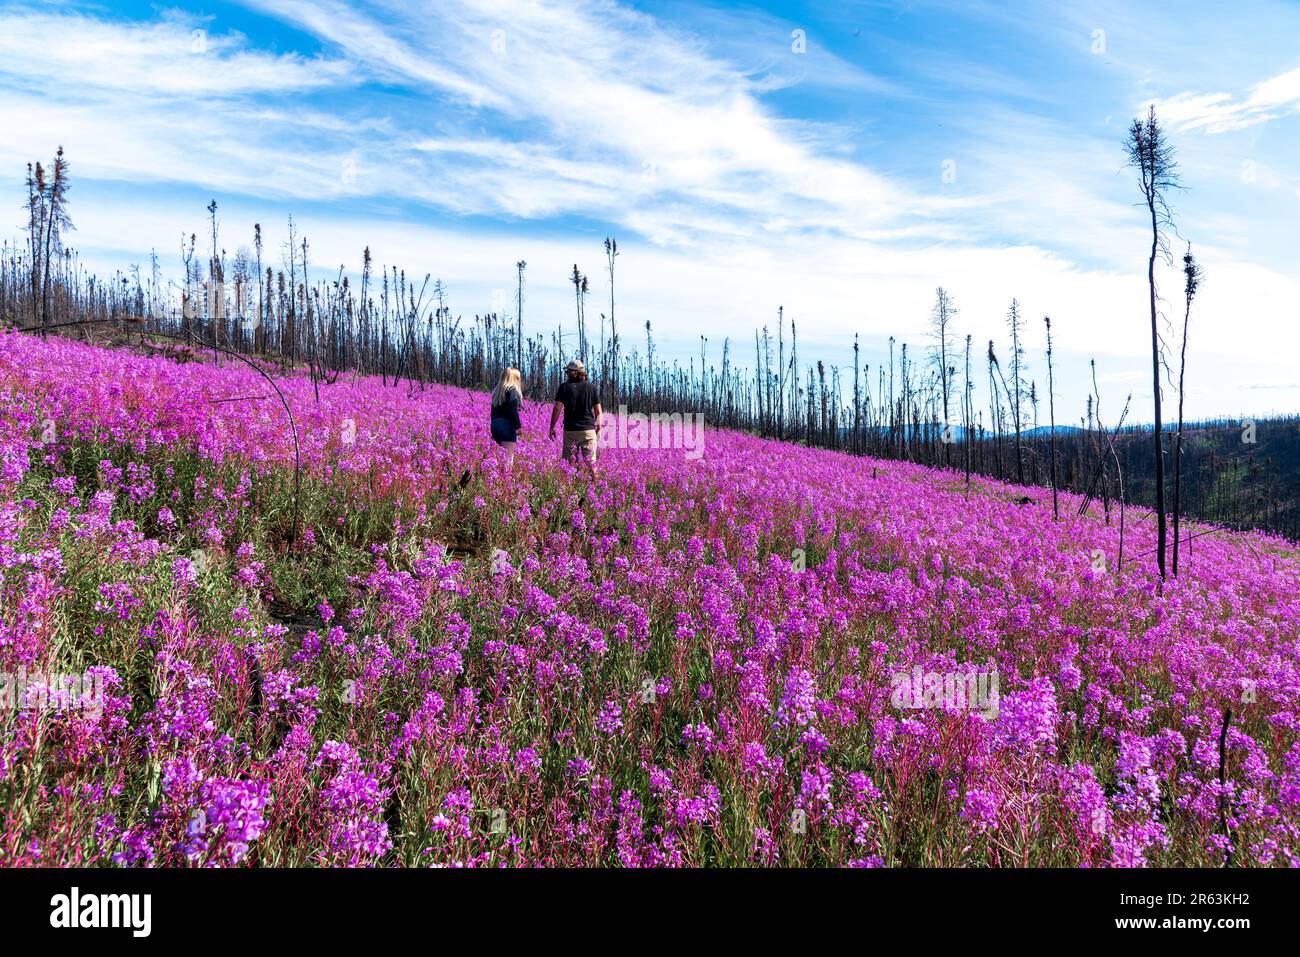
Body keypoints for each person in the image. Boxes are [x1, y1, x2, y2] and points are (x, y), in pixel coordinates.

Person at [550, 359, 602, 476]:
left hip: (570, 431)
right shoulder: (592, 388)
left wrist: (552, 427)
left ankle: (569, 490)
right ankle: (595, 489)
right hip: (588, 431)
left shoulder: (564, 387)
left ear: (575, 372)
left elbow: (557, 408)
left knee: (568, 464)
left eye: (568, 371)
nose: (567, 374)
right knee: (591, 464)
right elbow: (598, 411)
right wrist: (598, 426)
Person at [489, 368, 524, 465]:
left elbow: (493, 412)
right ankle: (506, 479)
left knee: (498, 460)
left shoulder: (497, 392)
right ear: (515, 379)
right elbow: (512, 408)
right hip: (506, 427)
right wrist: (518, 426)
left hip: (495, 425)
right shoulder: (512, 390)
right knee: (508, 462)